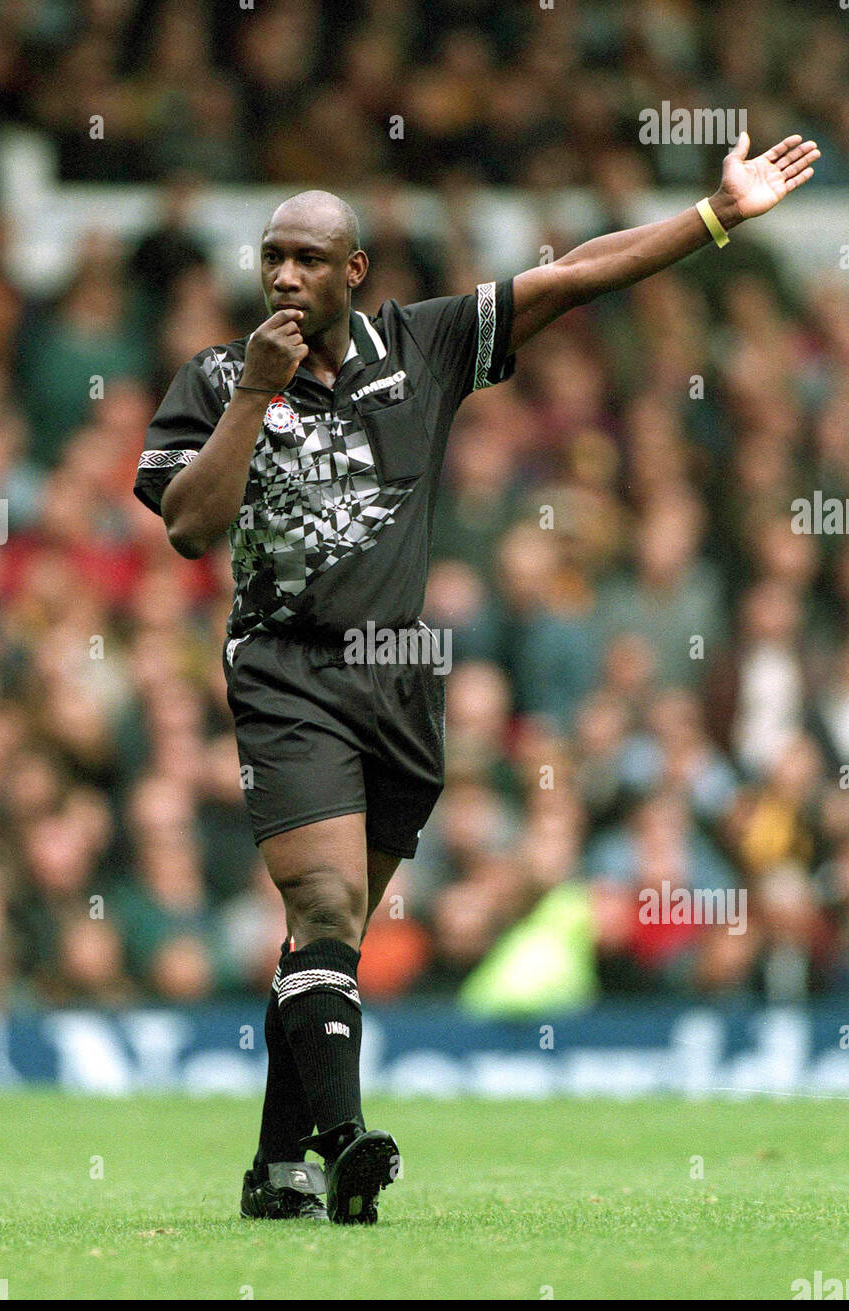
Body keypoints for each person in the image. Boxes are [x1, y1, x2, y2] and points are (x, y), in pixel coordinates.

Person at [133, 132, 819, 1224]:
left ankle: (276, 1172)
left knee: (330, 943)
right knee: (322, 900)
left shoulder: (427, 344)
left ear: (353, 271)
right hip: (285, 667)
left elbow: (573, 274)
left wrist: (714, 216)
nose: (284, 276)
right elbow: (186, 528)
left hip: (398, 676)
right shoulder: (217, 377)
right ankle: (348, 1142)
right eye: (272, 256)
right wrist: (253, 400)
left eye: (309, 258)